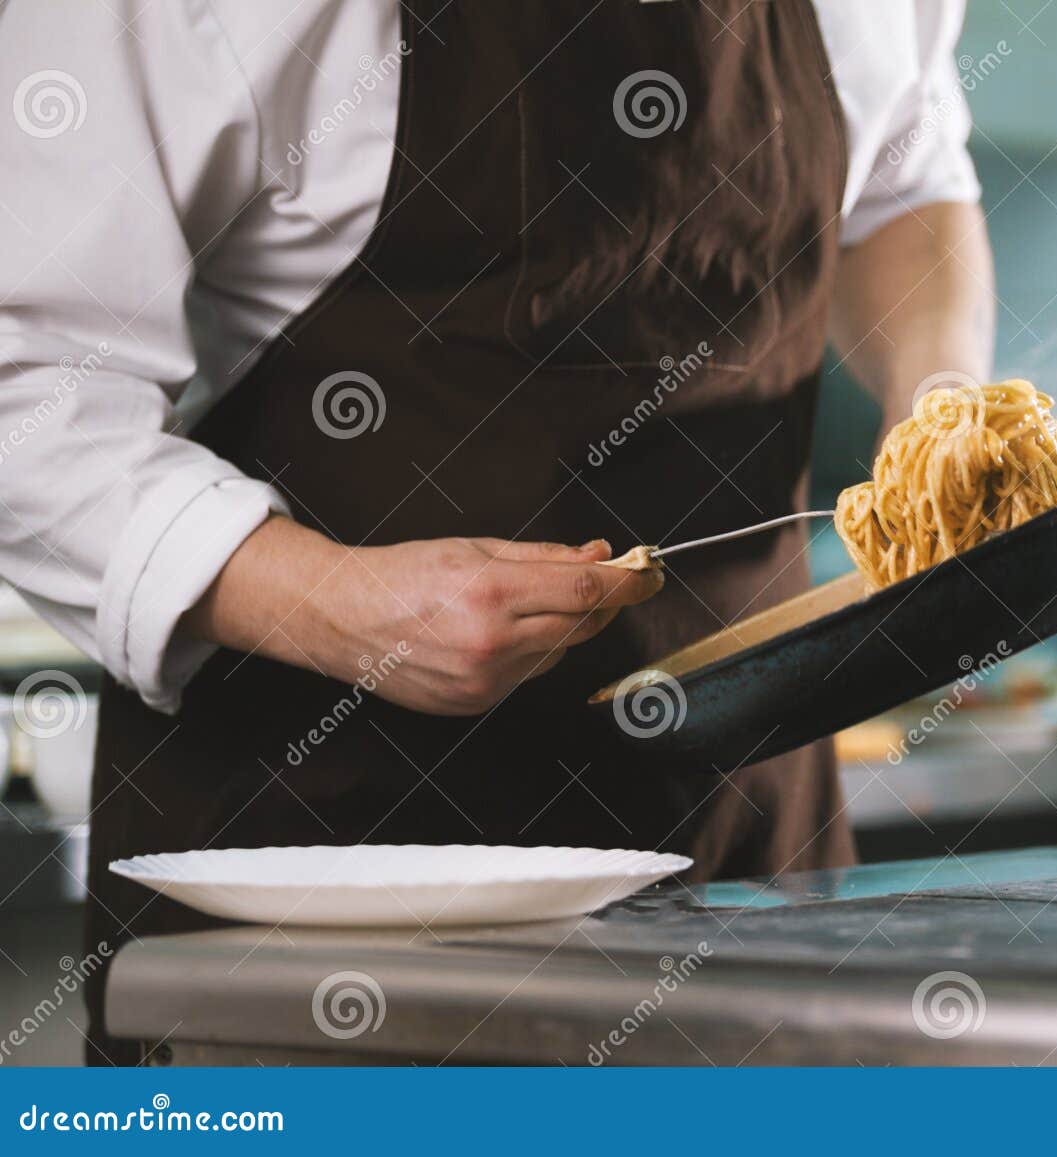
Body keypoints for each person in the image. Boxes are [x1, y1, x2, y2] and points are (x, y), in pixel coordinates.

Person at [0, 0, 995, 1064]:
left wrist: (938, 405)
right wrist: (337, 606)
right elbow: (32, 389)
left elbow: (906, 181)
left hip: (745, 857)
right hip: (328, 877)